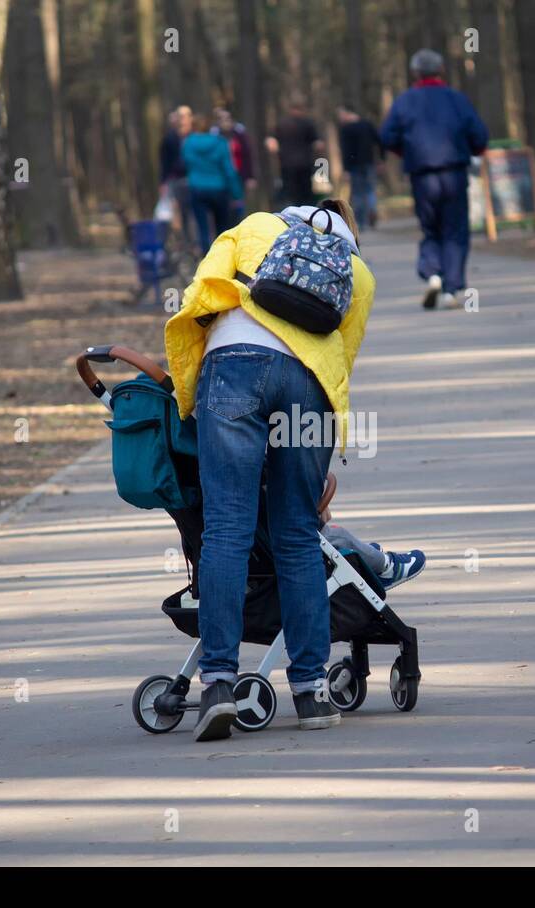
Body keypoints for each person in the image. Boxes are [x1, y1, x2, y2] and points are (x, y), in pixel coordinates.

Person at [165, 198, 375, 742]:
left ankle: (216, 684)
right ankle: (310, 692)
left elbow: (201, 294)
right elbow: (343, 355)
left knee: (228, 530)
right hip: (309, 387)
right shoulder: (358, 271)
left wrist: (193, 383)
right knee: (299, 535)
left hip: (234, 369)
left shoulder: (250, 228)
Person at [379, 49, 488, 309]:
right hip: (453, 172)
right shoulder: (456, 99)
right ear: (441, 71)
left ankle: (433, 274)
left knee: (430, 228)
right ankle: (451, 289)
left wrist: (407, 152)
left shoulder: (405, 101)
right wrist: (472, 151)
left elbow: (387, 136)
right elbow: (479, 135)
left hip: (422, 175)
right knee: (455, 229)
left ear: (415, 73)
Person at [180, 113, 243, 254]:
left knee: (202, 228)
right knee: (222, 227)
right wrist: (237, 194)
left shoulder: (188, 143)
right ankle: (222, 259)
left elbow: (185, 165)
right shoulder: (220, 143)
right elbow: (229, 170)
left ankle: (205, 259)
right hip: (219, 189)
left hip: (197, 188)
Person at [266, 94, 324, 207]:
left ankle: (289, 214)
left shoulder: (281, 124)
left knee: (289, 192)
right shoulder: (308, 123)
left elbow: (271, 143)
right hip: (304, 164)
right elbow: (318, 145)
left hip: (287, 164)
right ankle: (305, 213)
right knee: (305, 193)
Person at [336, 106, 383, 229]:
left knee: (358, 194)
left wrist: (346, 169)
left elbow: (346, 151)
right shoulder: (367, 125)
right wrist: (381, 159)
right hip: (369, 163)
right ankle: (372, 211)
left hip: (354, 166)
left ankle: (361, 222)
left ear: (347, 113)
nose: (340, 117)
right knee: (370, 190)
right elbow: (379, 141)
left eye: (341, 114)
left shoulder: (346, 129)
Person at [215, 107, 257, 222]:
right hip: (221, 177)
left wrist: (250, 177)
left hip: (239, 175)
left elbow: (247, 155)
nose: (225, 122)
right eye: (221, 119)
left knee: (239, 206)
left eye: (227, 119)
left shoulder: (240, 135)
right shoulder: (214, 136)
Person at [159, 106, 193, 240]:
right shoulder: (169, 139)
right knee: (179, 215)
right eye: (180, 116)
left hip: (195, 180)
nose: (183, 120)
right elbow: (164, 163)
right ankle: (185, 244)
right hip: (176, 181)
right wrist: (163, 183)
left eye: (186, 116)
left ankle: (200, 245)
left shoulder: (196, 137)